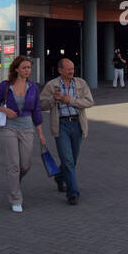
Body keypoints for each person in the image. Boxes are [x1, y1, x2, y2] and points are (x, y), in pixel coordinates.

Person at [0, 55, 47, 213]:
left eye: (29, 68)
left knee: (25, 164)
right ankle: (15, 198)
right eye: (24, 68)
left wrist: (40, 133)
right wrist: (5, 110)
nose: (27, 71)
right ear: (16, 69)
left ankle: (14, 182)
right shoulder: (5, 86)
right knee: (13, 164)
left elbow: (36, 110)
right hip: (9, 128)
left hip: (27, 127)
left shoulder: (33, 87)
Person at [40, 58, 94, 205]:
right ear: (60, 70)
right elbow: (41, 104)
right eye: (68, 69)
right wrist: (53, 99)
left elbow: (89, 102)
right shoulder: (52, 85)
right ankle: (73, 194)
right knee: (68, 160)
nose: (71, 71)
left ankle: (59, 177)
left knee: (73, 159)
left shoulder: (81, 83)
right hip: (61, 125)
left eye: (72, 69)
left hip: (77, 124)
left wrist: (71, 100)